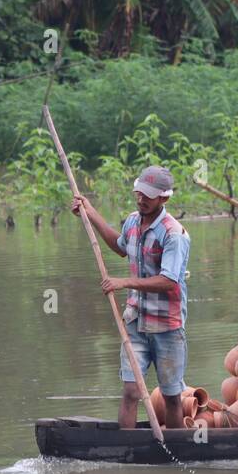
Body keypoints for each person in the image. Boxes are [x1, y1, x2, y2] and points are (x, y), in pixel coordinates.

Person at [71, 165, 190, 429]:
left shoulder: (173, 234)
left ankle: (178, 454)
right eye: (138, 193)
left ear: (164, 198)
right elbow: (121, 247)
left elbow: (169, 281)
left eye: (148, 196)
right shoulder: (133, 221)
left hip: (166, 327)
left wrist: (124, 282)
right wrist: (91, 214)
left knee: (171, 397)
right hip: (135, 321)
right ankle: (125, 448)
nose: (141, 200)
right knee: (131, 391)